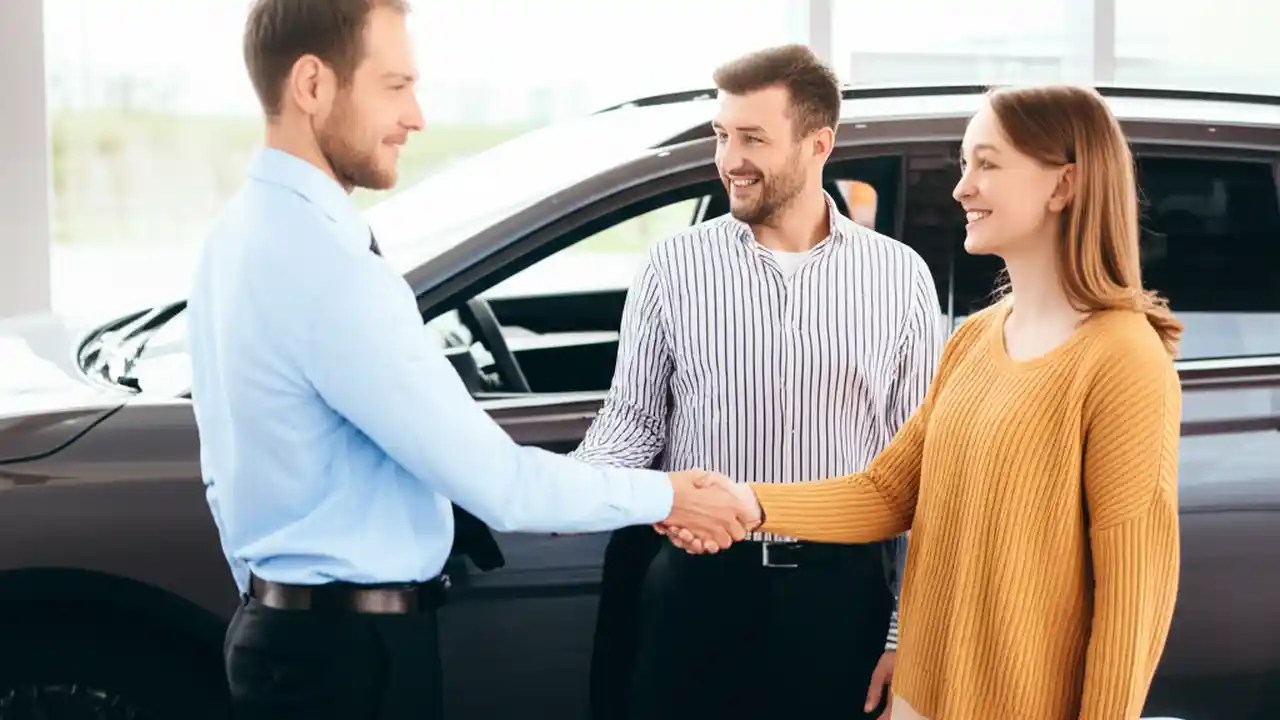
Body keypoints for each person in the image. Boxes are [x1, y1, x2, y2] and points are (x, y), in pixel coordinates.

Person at [185, 2, 754, 718]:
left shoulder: (238, 232)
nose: (417, 115)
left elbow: (222, 473)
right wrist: (670, 495)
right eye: (395, 85)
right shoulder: (327, 265)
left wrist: (273, 595)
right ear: (312, 85)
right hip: (348, 663)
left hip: (288, 636)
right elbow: (501, 486)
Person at [667, 84, 1185, 720]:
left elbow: (1133, 603)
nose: (962, 188)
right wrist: (748, 500)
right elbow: (890, 493)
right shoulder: (975, 337)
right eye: (965, 164)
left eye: (988, 164)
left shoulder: (1125, 360)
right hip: (920, 700)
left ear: (1063, 186)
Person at [572, 44, 945, 720]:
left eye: (752, 138)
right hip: (695, 593)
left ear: (817, 144)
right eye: (722, 135)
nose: (729, 159)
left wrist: (905, 638)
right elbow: (630, 423)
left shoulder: (901, 279)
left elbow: (924, 476)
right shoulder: (673, 267)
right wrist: (600, 490)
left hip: (840, 603)